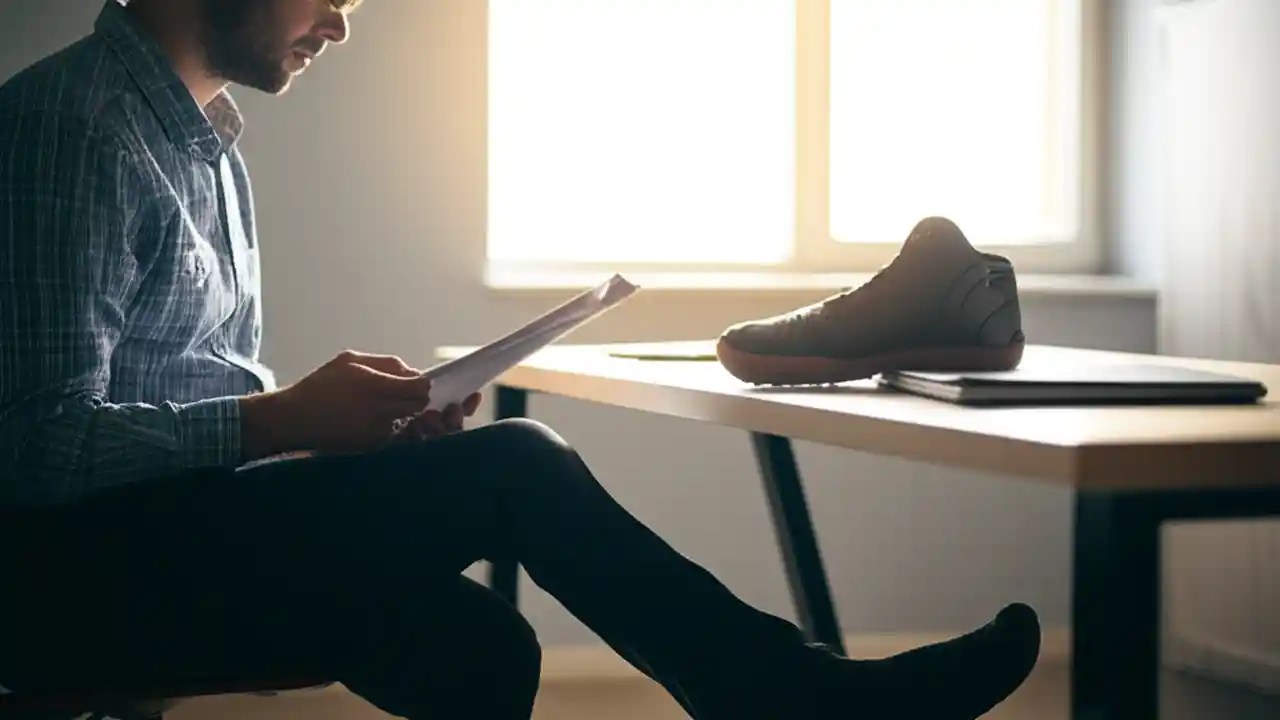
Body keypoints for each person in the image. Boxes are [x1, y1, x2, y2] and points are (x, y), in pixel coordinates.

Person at [0, 1, 1042, 718]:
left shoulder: (205, 147)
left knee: (477, 647)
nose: (341, 20)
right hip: (64, 578)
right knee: (517, 462)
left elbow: (180, 402)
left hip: (166, 537)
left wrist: (349, 430)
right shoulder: (71, 129)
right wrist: (281, 423)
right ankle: (795, 699)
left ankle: (789, 697)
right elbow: (33, 451)